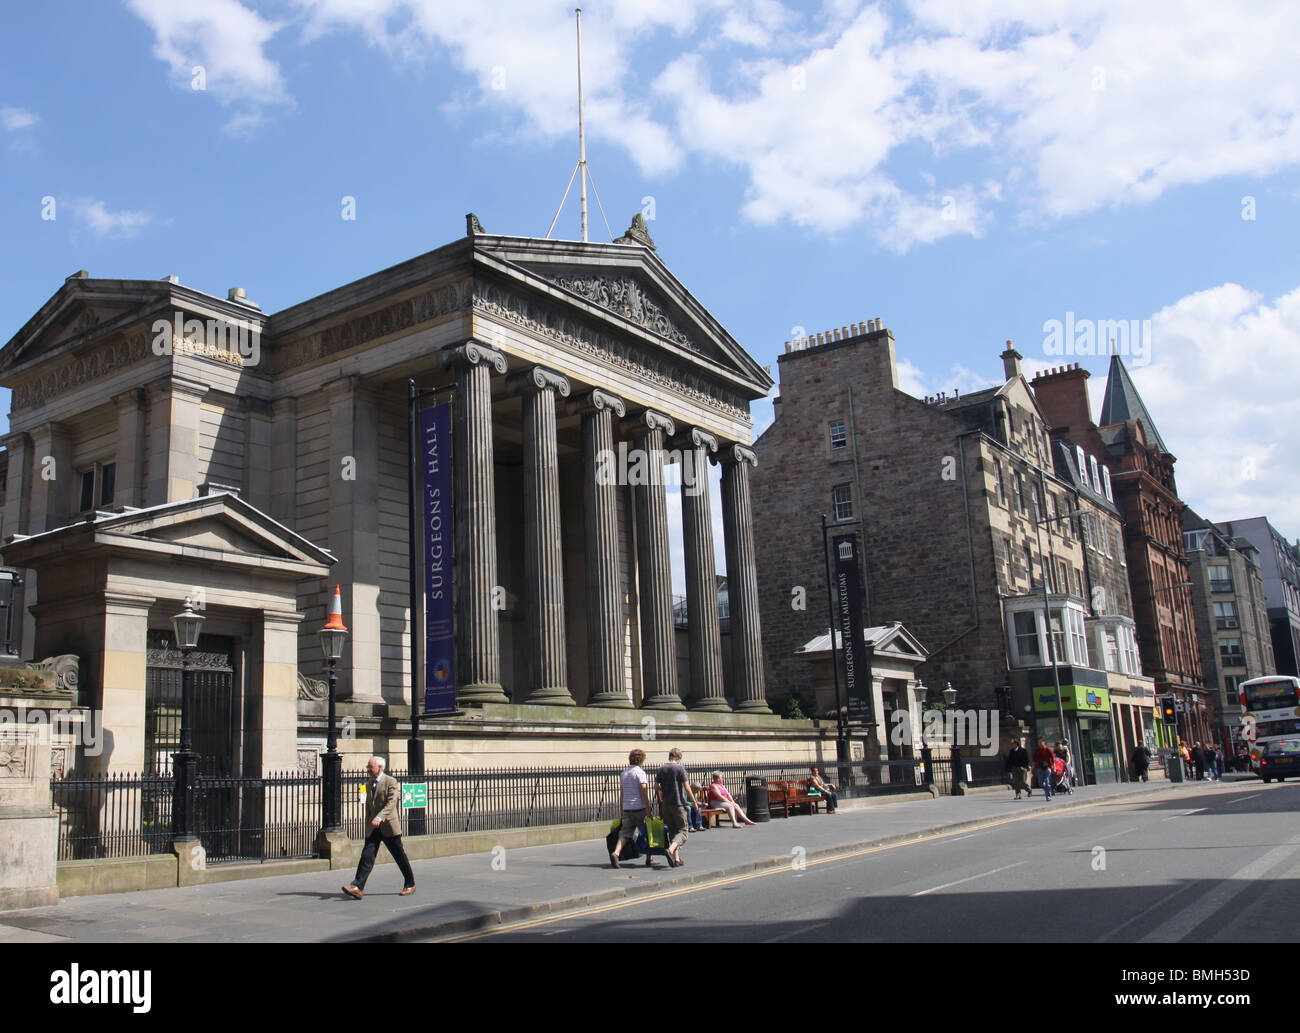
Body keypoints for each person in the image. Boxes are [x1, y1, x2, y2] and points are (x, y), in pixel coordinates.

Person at [342, 756, 415, 899]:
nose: (368, 769)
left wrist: (380, 817)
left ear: (380, 767)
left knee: (399, 856)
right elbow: (369, 807)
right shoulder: (369, 784)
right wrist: (369, 823)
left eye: (370, 767)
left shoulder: (391, 781)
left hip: (388, 826)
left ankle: (410, 883)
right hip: (374, 828)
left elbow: (391, 802)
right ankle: (357, 886)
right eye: (368, 767)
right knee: (367, 856)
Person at [610, 748, 653, 868]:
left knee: (625, 833)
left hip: (627, 807)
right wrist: (648, 810)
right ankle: (649, 858)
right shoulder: (640, 772)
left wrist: (621, 809)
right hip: (639, 807)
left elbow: (622, 793)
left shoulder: (624, 773)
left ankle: (616, 852)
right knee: (645, 832)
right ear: (641, 759)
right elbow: (643, 792)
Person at [655, 748, 696, 867]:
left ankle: (676, 859)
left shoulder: (661, 769)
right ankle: (670, 850)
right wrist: (694, 802)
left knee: (672, 831)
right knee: (683, 831)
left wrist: (665, 790)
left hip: (666, 805)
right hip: (677, 804)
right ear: (678, 757)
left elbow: (656, 787)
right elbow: (687, 787)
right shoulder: (680, 768)